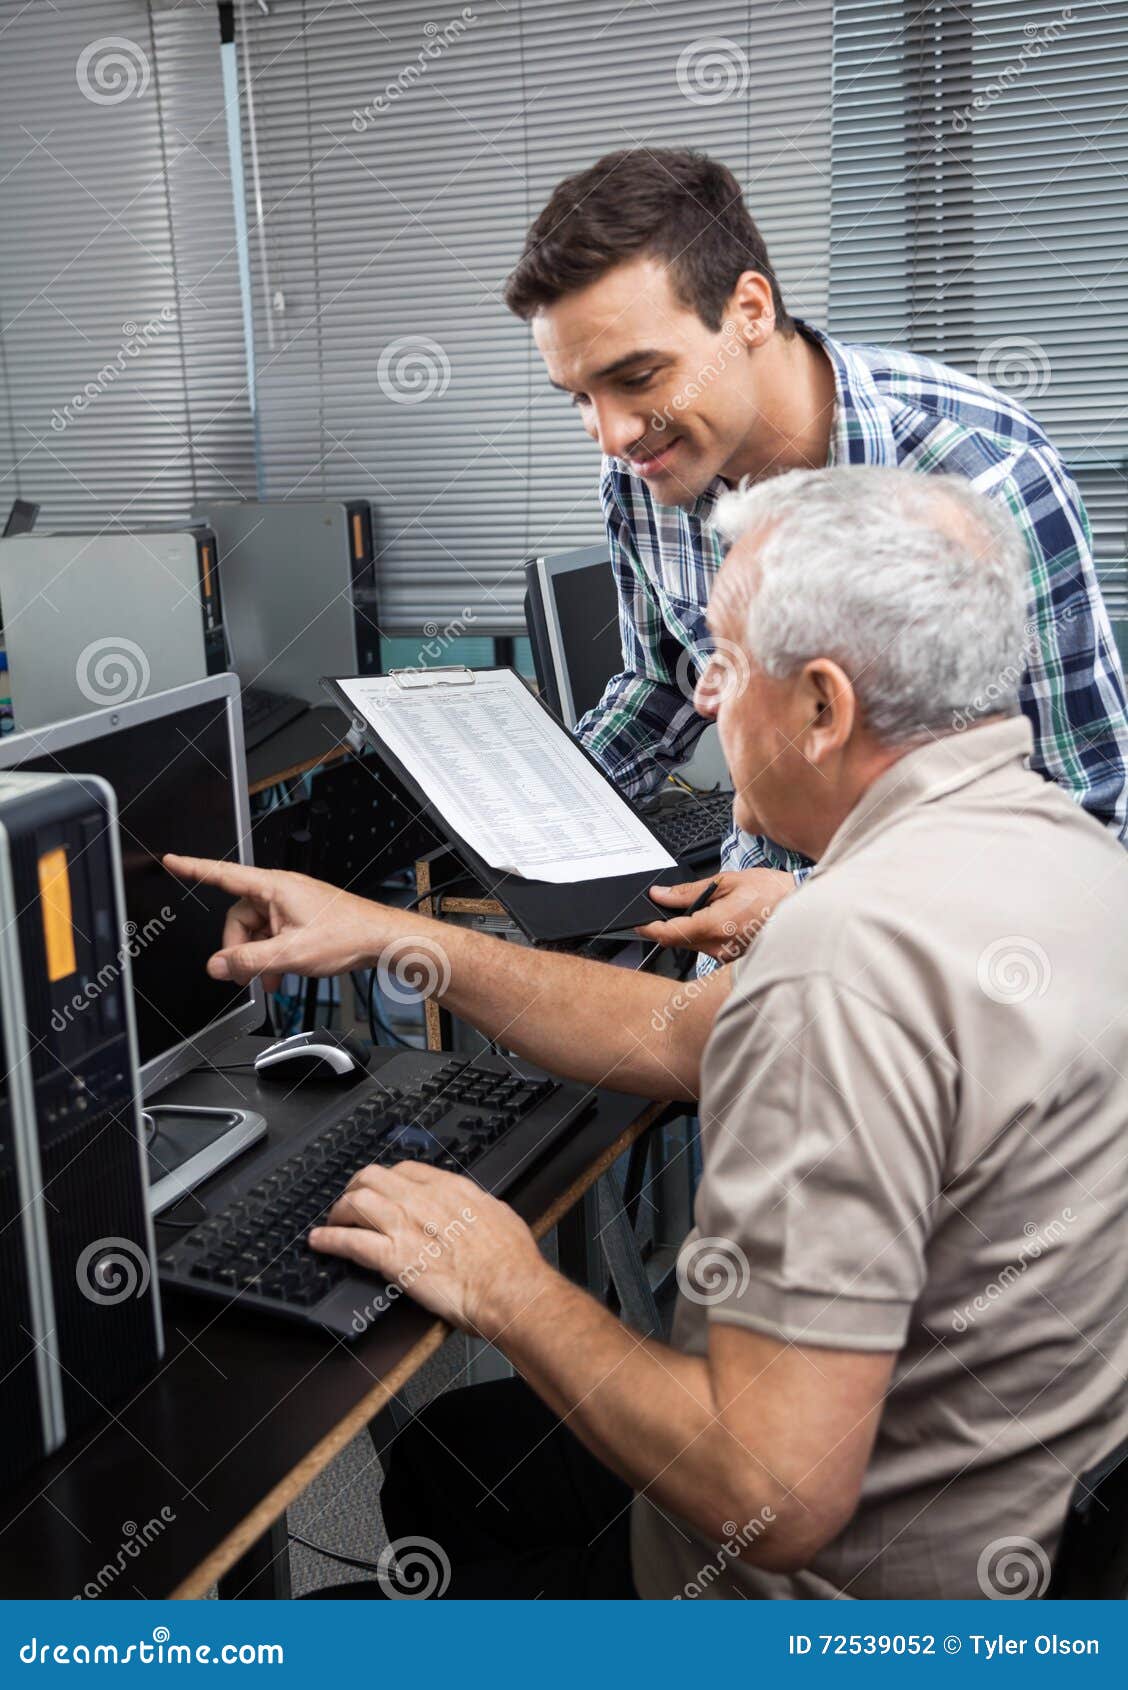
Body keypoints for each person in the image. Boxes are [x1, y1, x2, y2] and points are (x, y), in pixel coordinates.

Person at [165, 469, 1128, 1599]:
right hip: (1002, 1519)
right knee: (454, 1454)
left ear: (824, 706)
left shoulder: (846, 962)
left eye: (723, 660)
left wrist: (504, 1286)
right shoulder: (1061, 846)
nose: (706, 696)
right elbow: (676, 1037)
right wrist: (388, 934)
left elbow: (767, 1490)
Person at [502, 148, 1128, 964]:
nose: (615, 434)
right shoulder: (642, 478)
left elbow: (1089, 815)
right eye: (581, 398)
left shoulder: (987, 478)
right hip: (747, 955)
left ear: (751, 310)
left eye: (640, 377)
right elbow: (661, 681)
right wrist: (542, 817)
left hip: (947, 968)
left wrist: (809, 900)